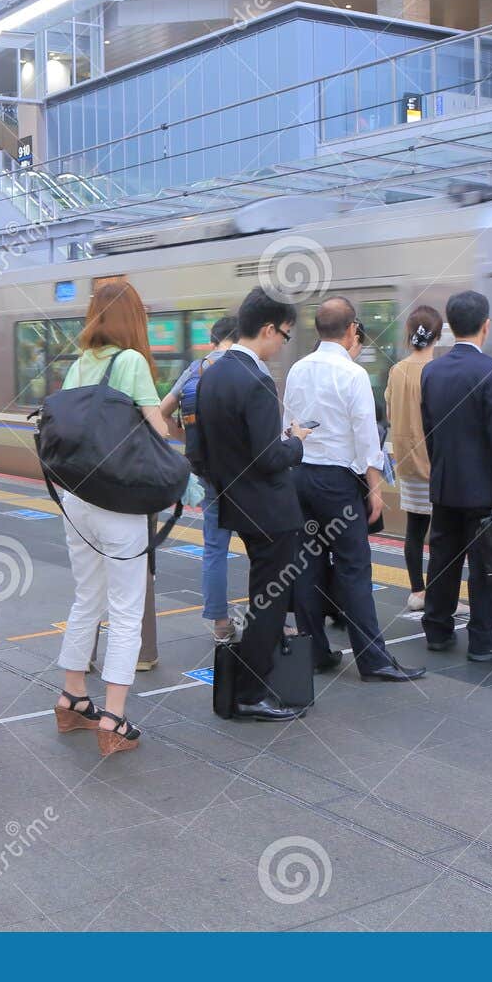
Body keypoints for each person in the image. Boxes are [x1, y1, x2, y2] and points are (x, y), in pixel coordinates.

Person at [50, 280, 169, 754]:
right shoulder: (131, 361)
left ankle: (72, 697)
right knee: (125, 609)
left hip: (77, 498)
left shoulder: (81, 364)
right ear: (133, 318)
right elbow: (157, 428)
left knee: (87, 598)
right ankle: (113, 719)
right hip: (119, 500)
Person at [284, 297, 424, 682]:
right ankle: (373, 660)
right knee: (354, 568)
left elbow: (288, 425)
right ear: (350, 331)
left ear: (319, 330)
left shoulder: (297, 369)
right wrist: (375, 490)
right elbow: (367, 438)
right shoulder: (353, 375)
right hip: (337, 483)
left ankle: (314, 651)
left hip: (300, 476)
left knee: (307, 566)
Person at [197, 287, 311, 722]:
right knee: (270, 601)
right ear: (267, 329)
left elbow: (205, 449)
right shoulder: (257, 379)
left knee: (261, 594)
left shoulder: (213, 374)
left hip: (236, 505)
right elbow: (269, 458)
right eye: (283, 334)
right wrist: (296, 442)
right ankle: (251, 692)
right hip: (272, 511)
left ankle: (246, 687)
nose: (283, 343)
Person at [419, 291, 492, 663]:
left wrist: (441, 466)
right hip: (481, 489)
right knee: (484, 566)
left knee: (443, 559)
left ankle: (438, 630)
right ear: (486, 326)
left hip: (444, 484)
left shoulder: (432, 370)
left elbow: (430, 429)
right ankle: (482, 641)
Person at [161, 316, 237, 639]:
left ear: (213, 340)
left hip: (205, 470)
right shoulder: (248, 366)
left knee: (215, 548)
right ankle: (275, 619)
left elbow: (162, 411)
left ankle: (220, 625)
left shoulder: (196, 368)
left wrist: (188, 439)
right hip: (243, 474)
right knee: (267, 546)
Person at [387, 305, 458, 617]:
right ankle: (440, 594)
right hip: (437, 463)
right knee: (443, 535)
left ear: (408, 334)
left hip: (408, 463)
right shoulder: (439, 370)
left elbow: (391, 413)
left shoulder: (397, 370)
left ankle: (418, 591)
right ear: (439, 335)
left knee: (415, 531)